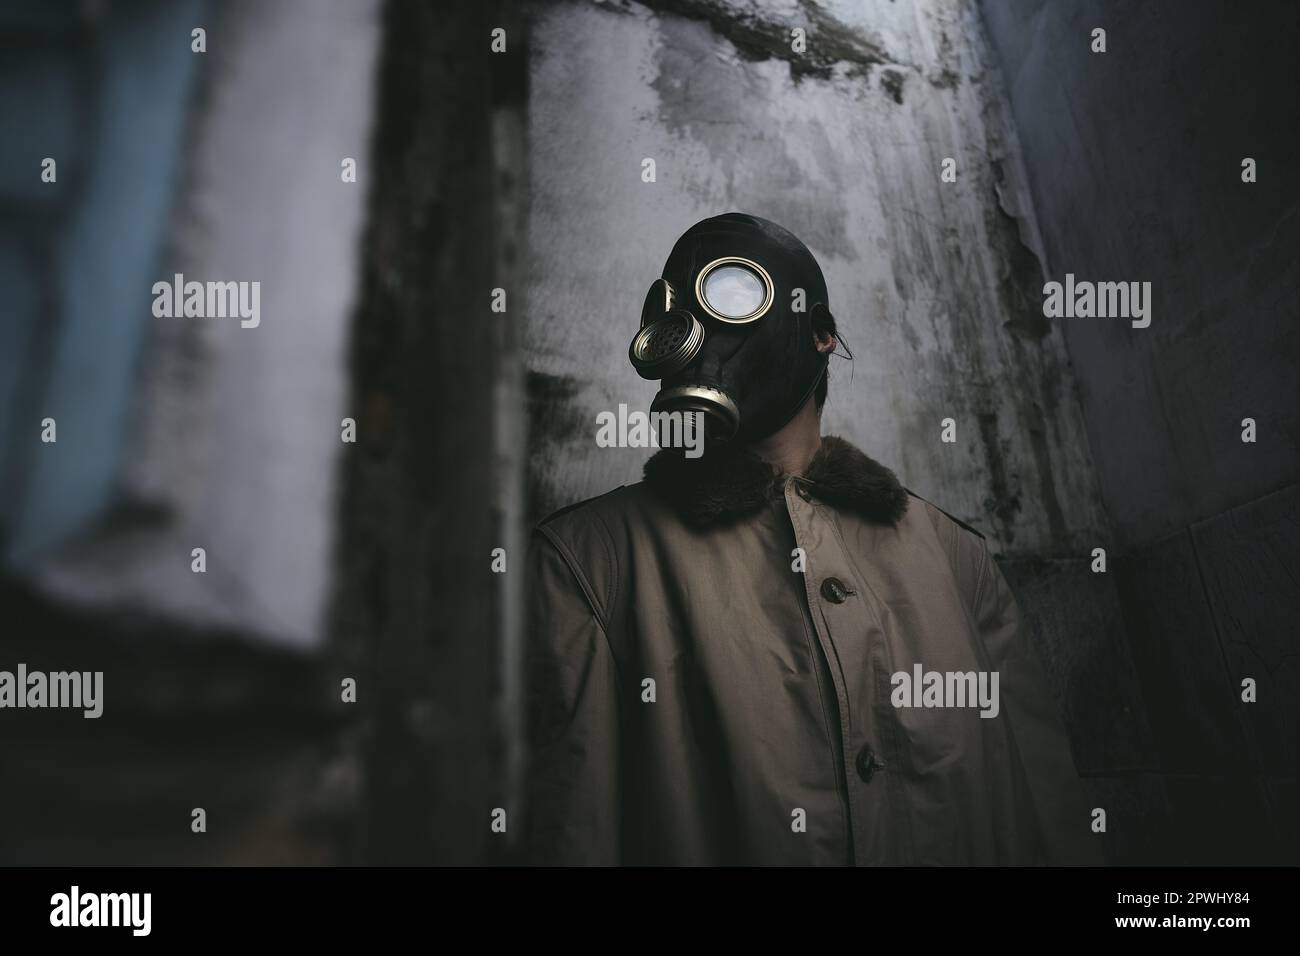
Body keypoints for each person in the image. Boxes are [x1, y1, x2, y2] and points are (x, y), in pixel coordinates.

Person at [523, 212, 1098, 865]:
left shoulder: (950, 554)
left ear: (821, 333)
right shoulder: (589, 564)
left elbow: (1044, 810)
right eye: (679, 310)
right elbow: (572, 830)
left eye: (734, 297)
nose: (699, 334)